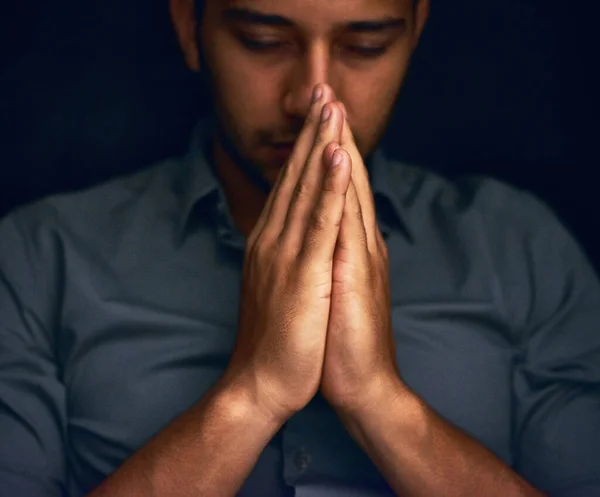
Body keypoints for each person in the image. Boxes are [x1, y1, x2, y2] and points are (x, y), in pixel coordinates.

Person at [1, 0, 599, 495]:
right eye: (262, 41)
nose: (313, 98)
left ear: (416, 30)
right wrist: (251, 395)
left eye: (365, 47)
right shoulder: (39, 257)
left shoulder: (522, 248)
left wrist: (380, 401)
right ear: (190, 27)